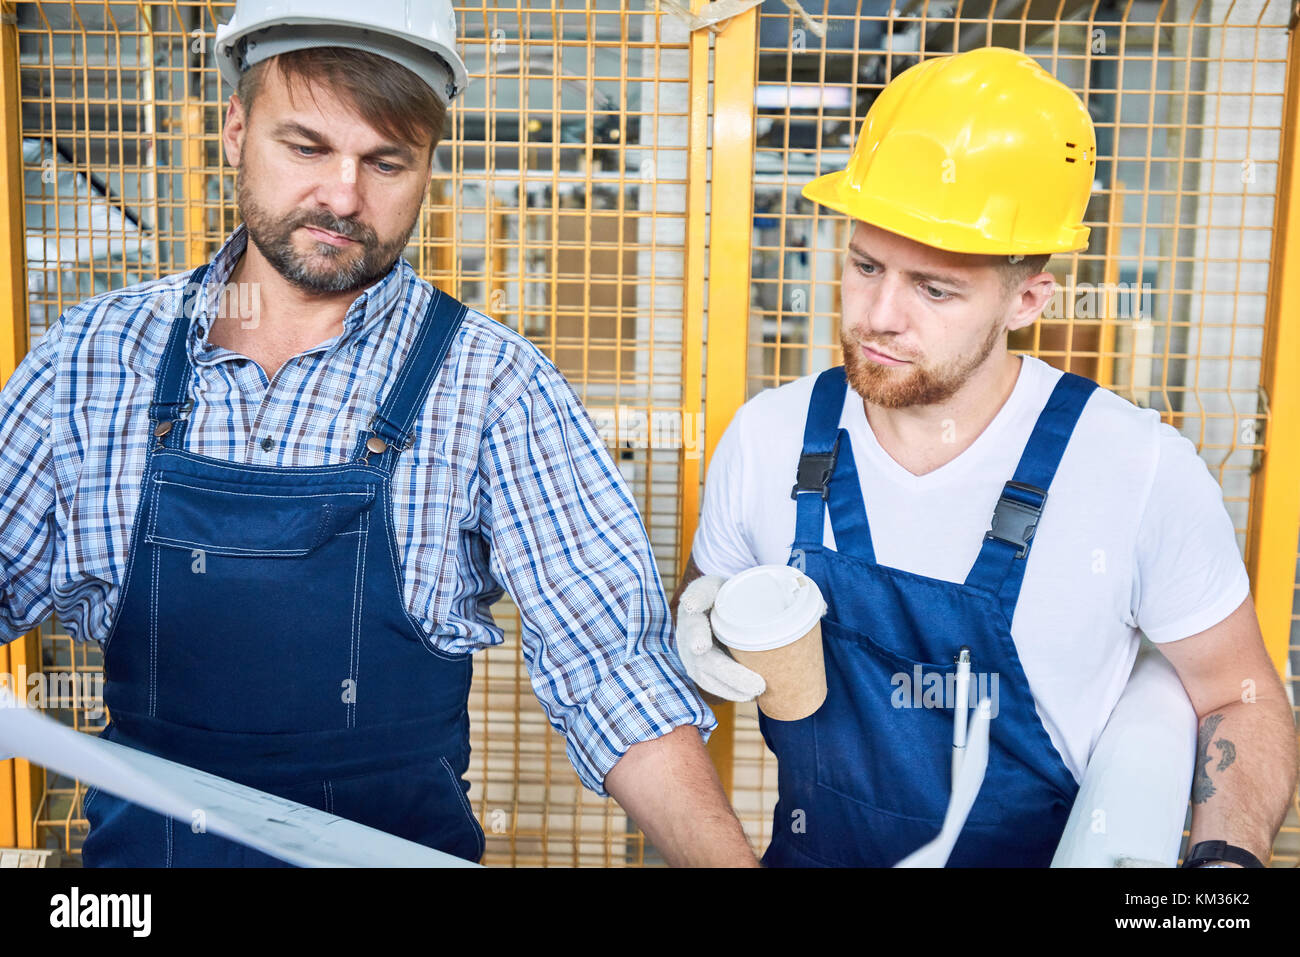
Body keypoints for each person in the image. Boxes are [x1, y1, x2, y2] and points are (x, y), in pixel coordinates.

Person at [0, 0, 757, 867]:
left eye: (385, 161)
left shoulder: (491, 385)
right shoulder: (94, 358)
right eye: (307, 146)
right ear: (236, 128)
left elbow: (613, 673)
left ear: (429, 167)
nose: (344, 196)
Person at [674, 47, 1298, 867]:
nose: (880, 316)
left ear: (1027, 298)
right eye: (865, 266)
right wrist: (697, 623)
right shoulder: (768, 439)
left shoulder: (1133, 468)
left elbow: (1239, 697)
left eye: (935, 289)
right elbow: (697, 634)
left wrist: (1223, 870)